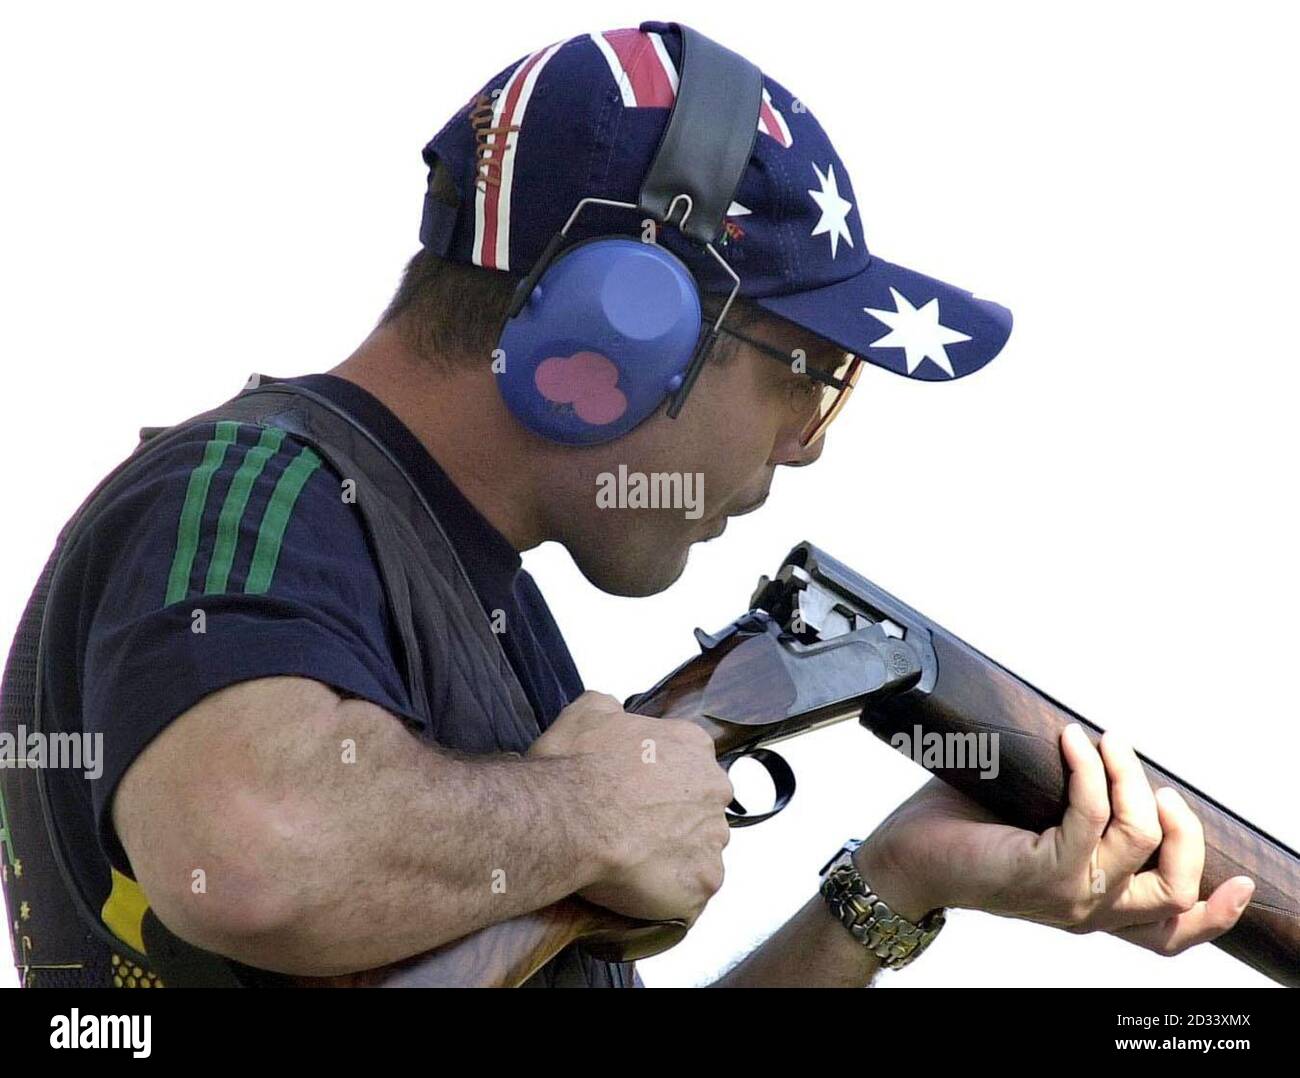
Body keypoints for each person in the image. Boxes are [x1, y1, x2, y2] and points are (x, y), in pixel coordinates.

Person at [1, 21, 1253, 988]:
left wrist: (896, 882)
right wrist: (591, 812)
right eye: (804, 371)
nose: (804, 449)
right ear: (627, 321)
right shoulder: (250, 488)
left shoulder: (492, 614)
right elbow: (251, 850)